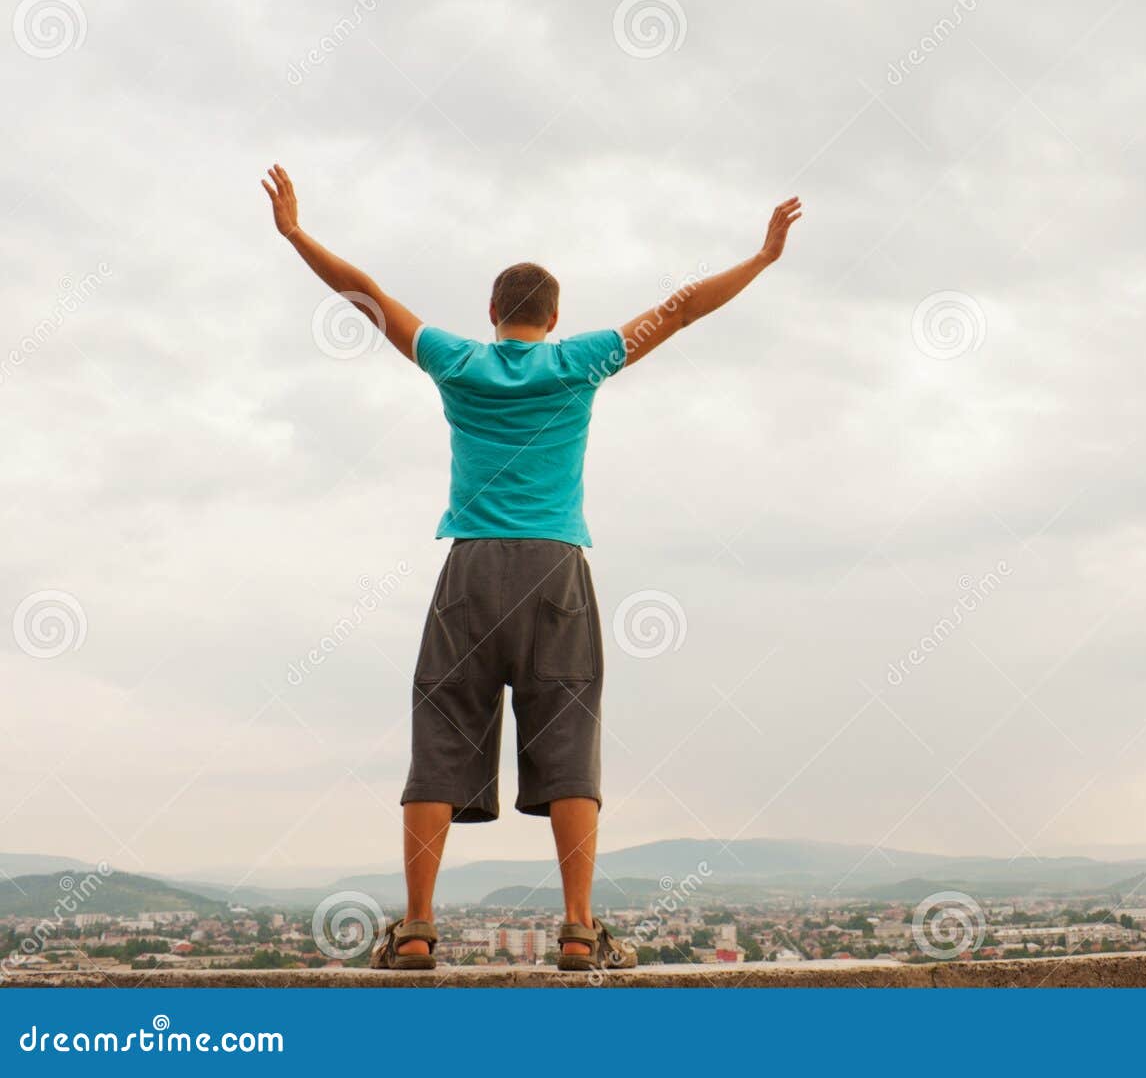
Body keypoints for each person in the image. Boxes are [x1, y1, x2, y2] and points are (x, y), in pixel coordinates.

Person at [261, 165, 802, 969]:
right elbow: (682, 307)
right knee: (570, 739)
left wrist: (297, 233)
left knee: (440, 739)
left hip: (471, 569)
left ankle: (417, 929)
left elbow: (365, 294)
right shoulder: (579, 360)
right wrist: (761, 258)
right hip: (557, 571)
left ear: (491, 314)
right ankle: (579, 930)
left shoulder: (457, 360)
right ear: (553, 318)